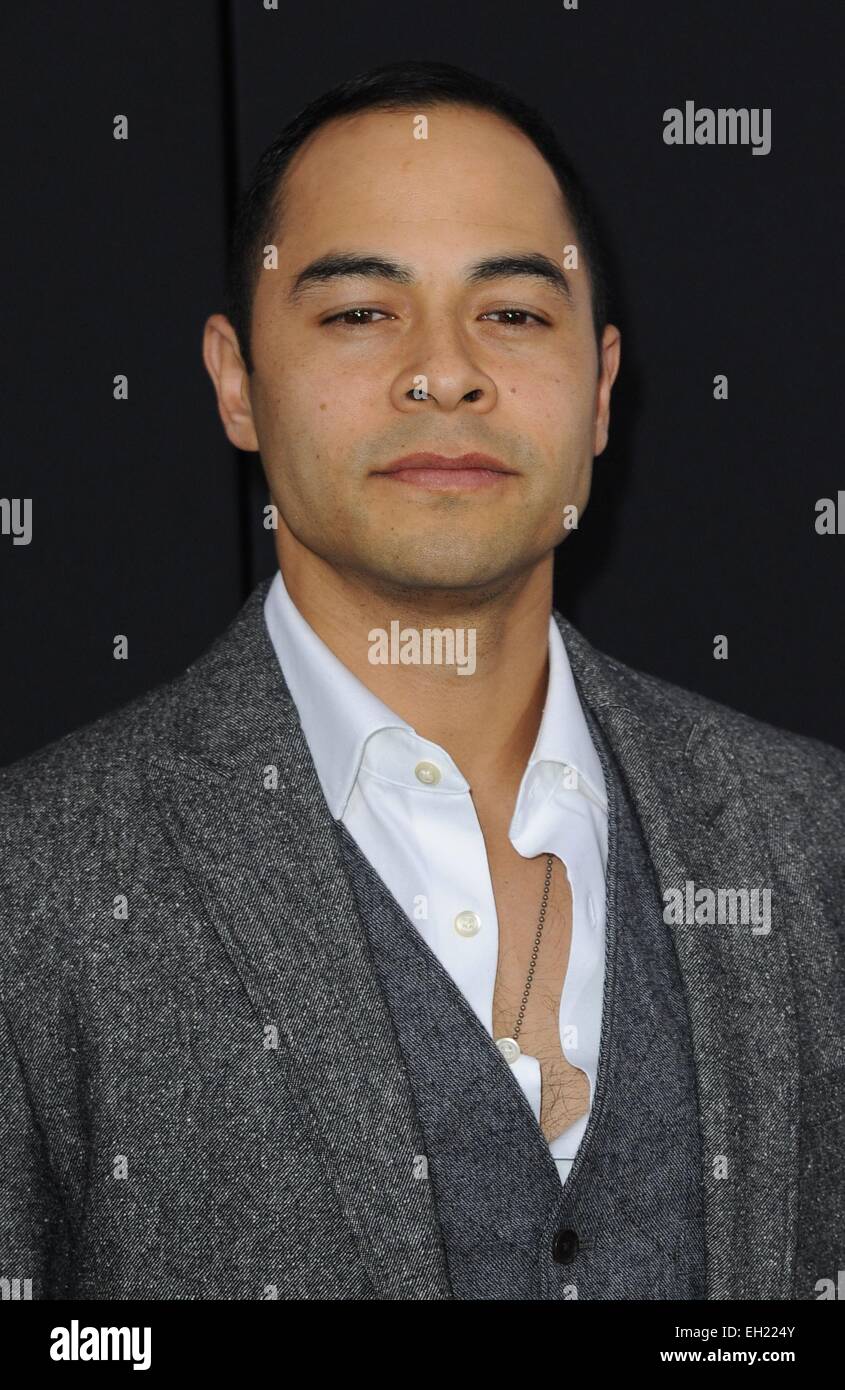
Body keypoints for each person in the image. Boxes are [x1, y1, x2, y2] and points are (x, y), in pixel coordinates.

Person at [1, 60, 842, 1302]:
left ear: (601, 390)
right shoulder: (38, 884)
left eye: (510, 311)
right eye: (357, 313)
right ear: (236, 380)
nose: (443, 373)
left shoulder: (808, 838)